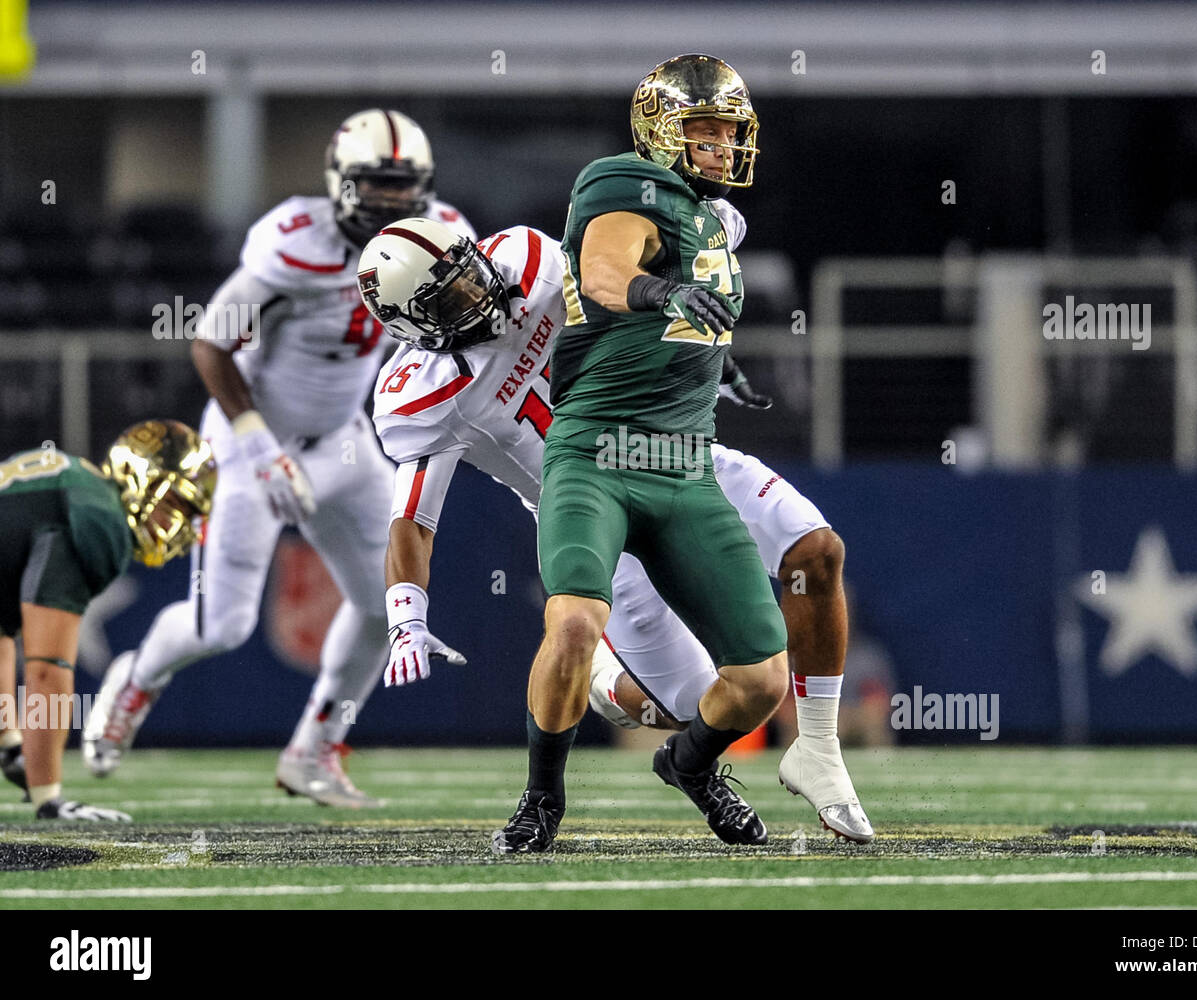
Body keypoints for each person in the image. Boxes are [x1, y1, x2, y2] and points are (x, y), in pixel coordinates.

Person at [81, 109, 476, 807]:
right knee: (219, 625)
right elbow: (210, 343)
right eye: (376, 184)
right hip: (249, 443)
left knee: (388, 603)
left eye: (402, 184)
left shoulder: (438, 235)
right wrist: (260, 447)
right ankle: (137, 678)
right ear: (340, 181)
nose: (391, 199)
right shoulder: (296, 242)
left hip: (342, 441)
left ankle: (314, 750)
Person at [490, 52, 801, 854]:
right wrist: (661, 292)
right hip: (596, 453)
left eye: (730, 132)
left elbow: (675, 317)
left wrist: (715, 361)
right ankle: (541, 799)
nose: (724, 147)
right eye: (705, 130)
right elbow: (603, 272)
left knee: (763, 680)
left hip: (684, 466)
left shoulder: (715, 222)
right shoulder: (623, 181)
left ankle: (691, 764)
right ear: (661, 132)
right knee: (574, 625)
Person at [0, 421, 216, 820]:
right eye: (173, 506)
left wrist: (10, 743)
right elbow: (47, 672)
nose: (176, 527)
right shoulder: (98, 519)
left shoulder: (76, 484)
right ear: (138, 477)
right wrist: (47, 797)